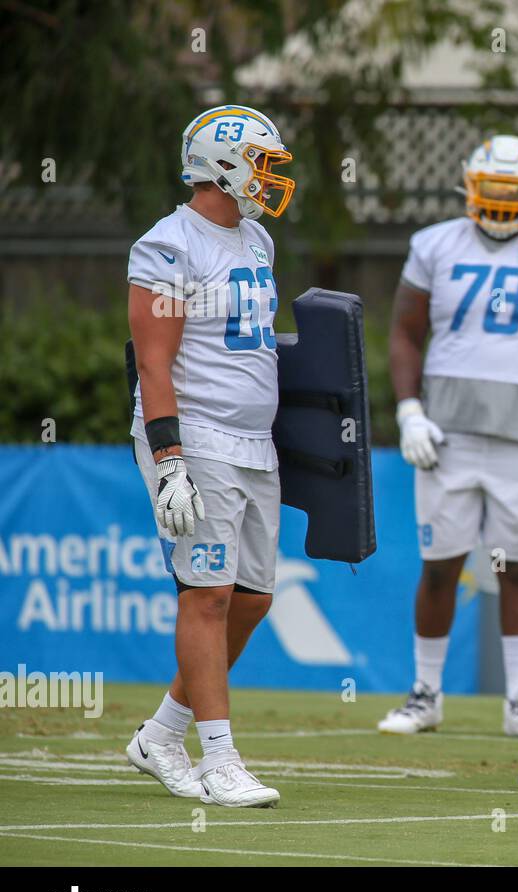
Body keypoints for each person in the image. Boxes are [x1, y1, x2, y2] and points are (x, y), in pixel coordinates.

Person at [124, 105, 296, 808]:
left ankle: (161, 734)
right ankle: (219, 757)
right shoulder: (166, 245)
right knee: (208, 594)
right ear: (225, 164)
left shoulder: (256, 240)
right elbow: (153, 363)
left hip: (254, 440)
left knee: (252, 600)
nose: (275, 178)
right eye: (266, 162)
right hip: (193, 432)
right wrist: (170, 460)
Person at [380, 135, 518, 738]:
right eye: (490, 189)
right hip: (447, 431)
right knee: (440, 565)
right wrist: (409, 409)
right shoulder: (434, 243)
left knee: (517, 569)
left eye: (511, 192)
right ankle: (426, 693)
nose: (498, 203)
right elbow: (405, 332)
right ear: (470, 185)